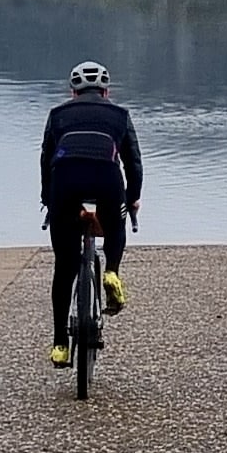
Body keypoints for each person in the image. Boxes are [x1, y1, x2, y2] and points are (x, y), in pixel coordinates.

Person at [41, 59, 141, 367]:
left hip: (65, 182)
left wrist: (49, 200)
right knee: (116, 222)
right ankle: (112, 270)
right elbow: (133, 164)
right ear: (106, 91)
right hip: (106, 178)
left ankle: (60, 344)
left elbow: (46, 161)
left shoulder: (57, 115)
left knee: (64, 267)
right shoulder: (120, 115)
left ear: (72, 92)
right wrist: (132, 199)